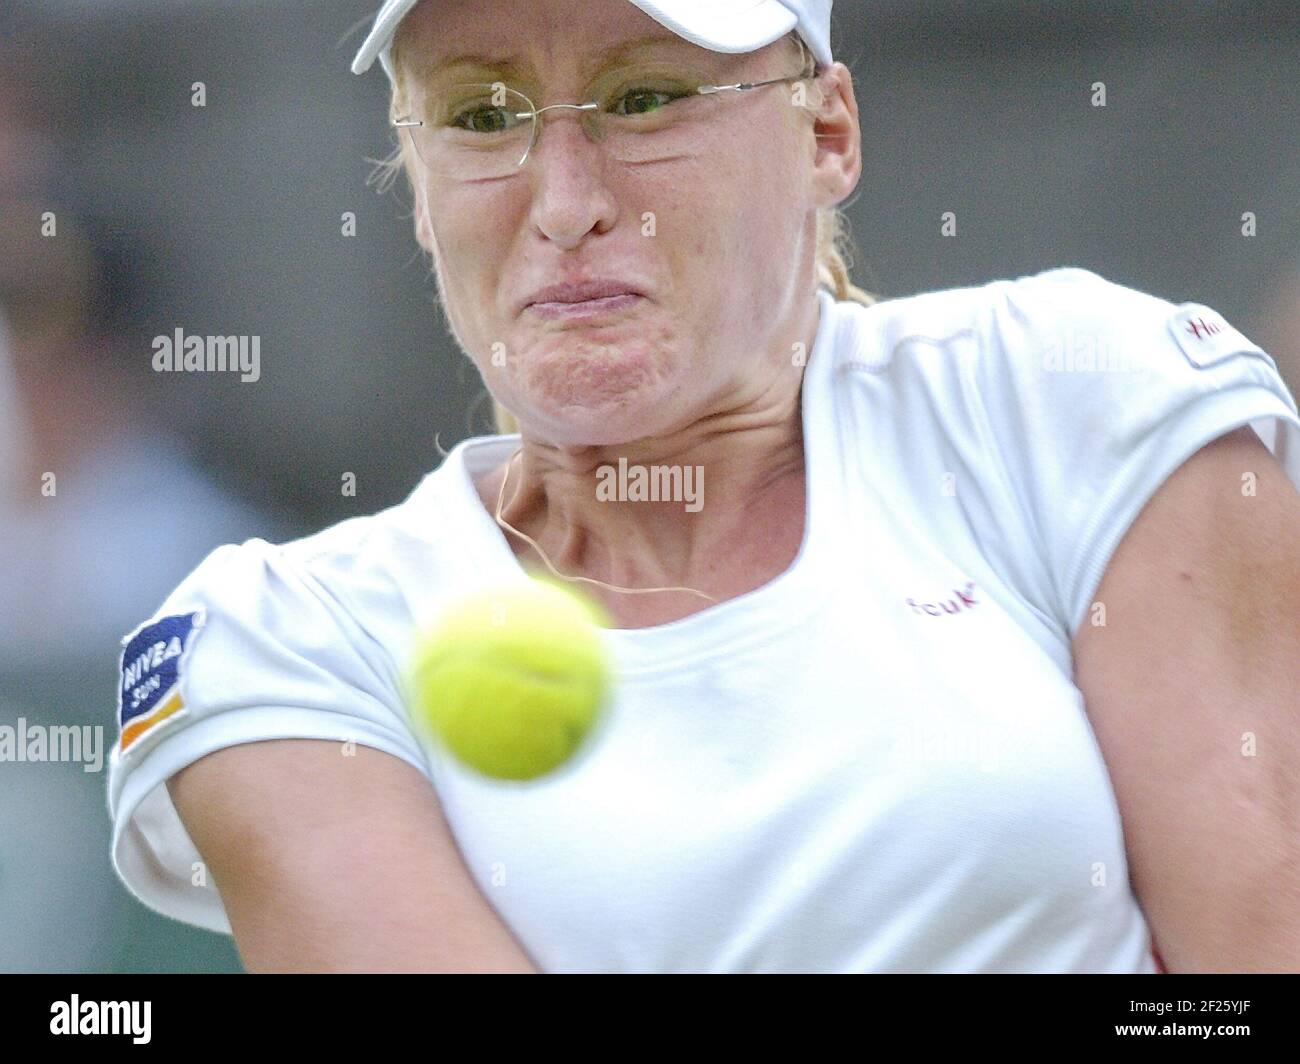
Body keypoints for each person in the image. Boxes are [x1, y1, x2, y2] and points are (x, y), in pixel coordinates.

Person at [105, 0, 1300, 973]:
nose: (565, 203)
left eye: (643, 99)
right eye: (480, 115)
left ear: (827, 133)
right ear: (416, 187)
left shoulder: (1085, 394)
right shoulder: (274, 647)